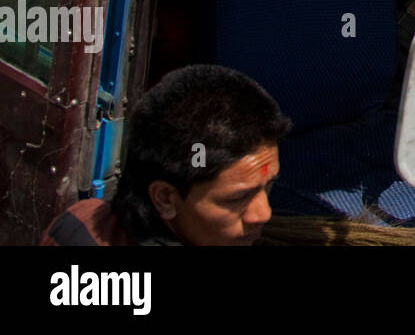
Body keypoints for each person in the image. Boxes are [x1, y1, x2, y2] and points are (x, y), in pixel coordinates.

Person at [41, 64, 291, 246]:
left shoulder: (79, 218)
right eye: (237, 198)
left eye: (268, 187)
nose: (263, 213)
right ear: (165, 198)